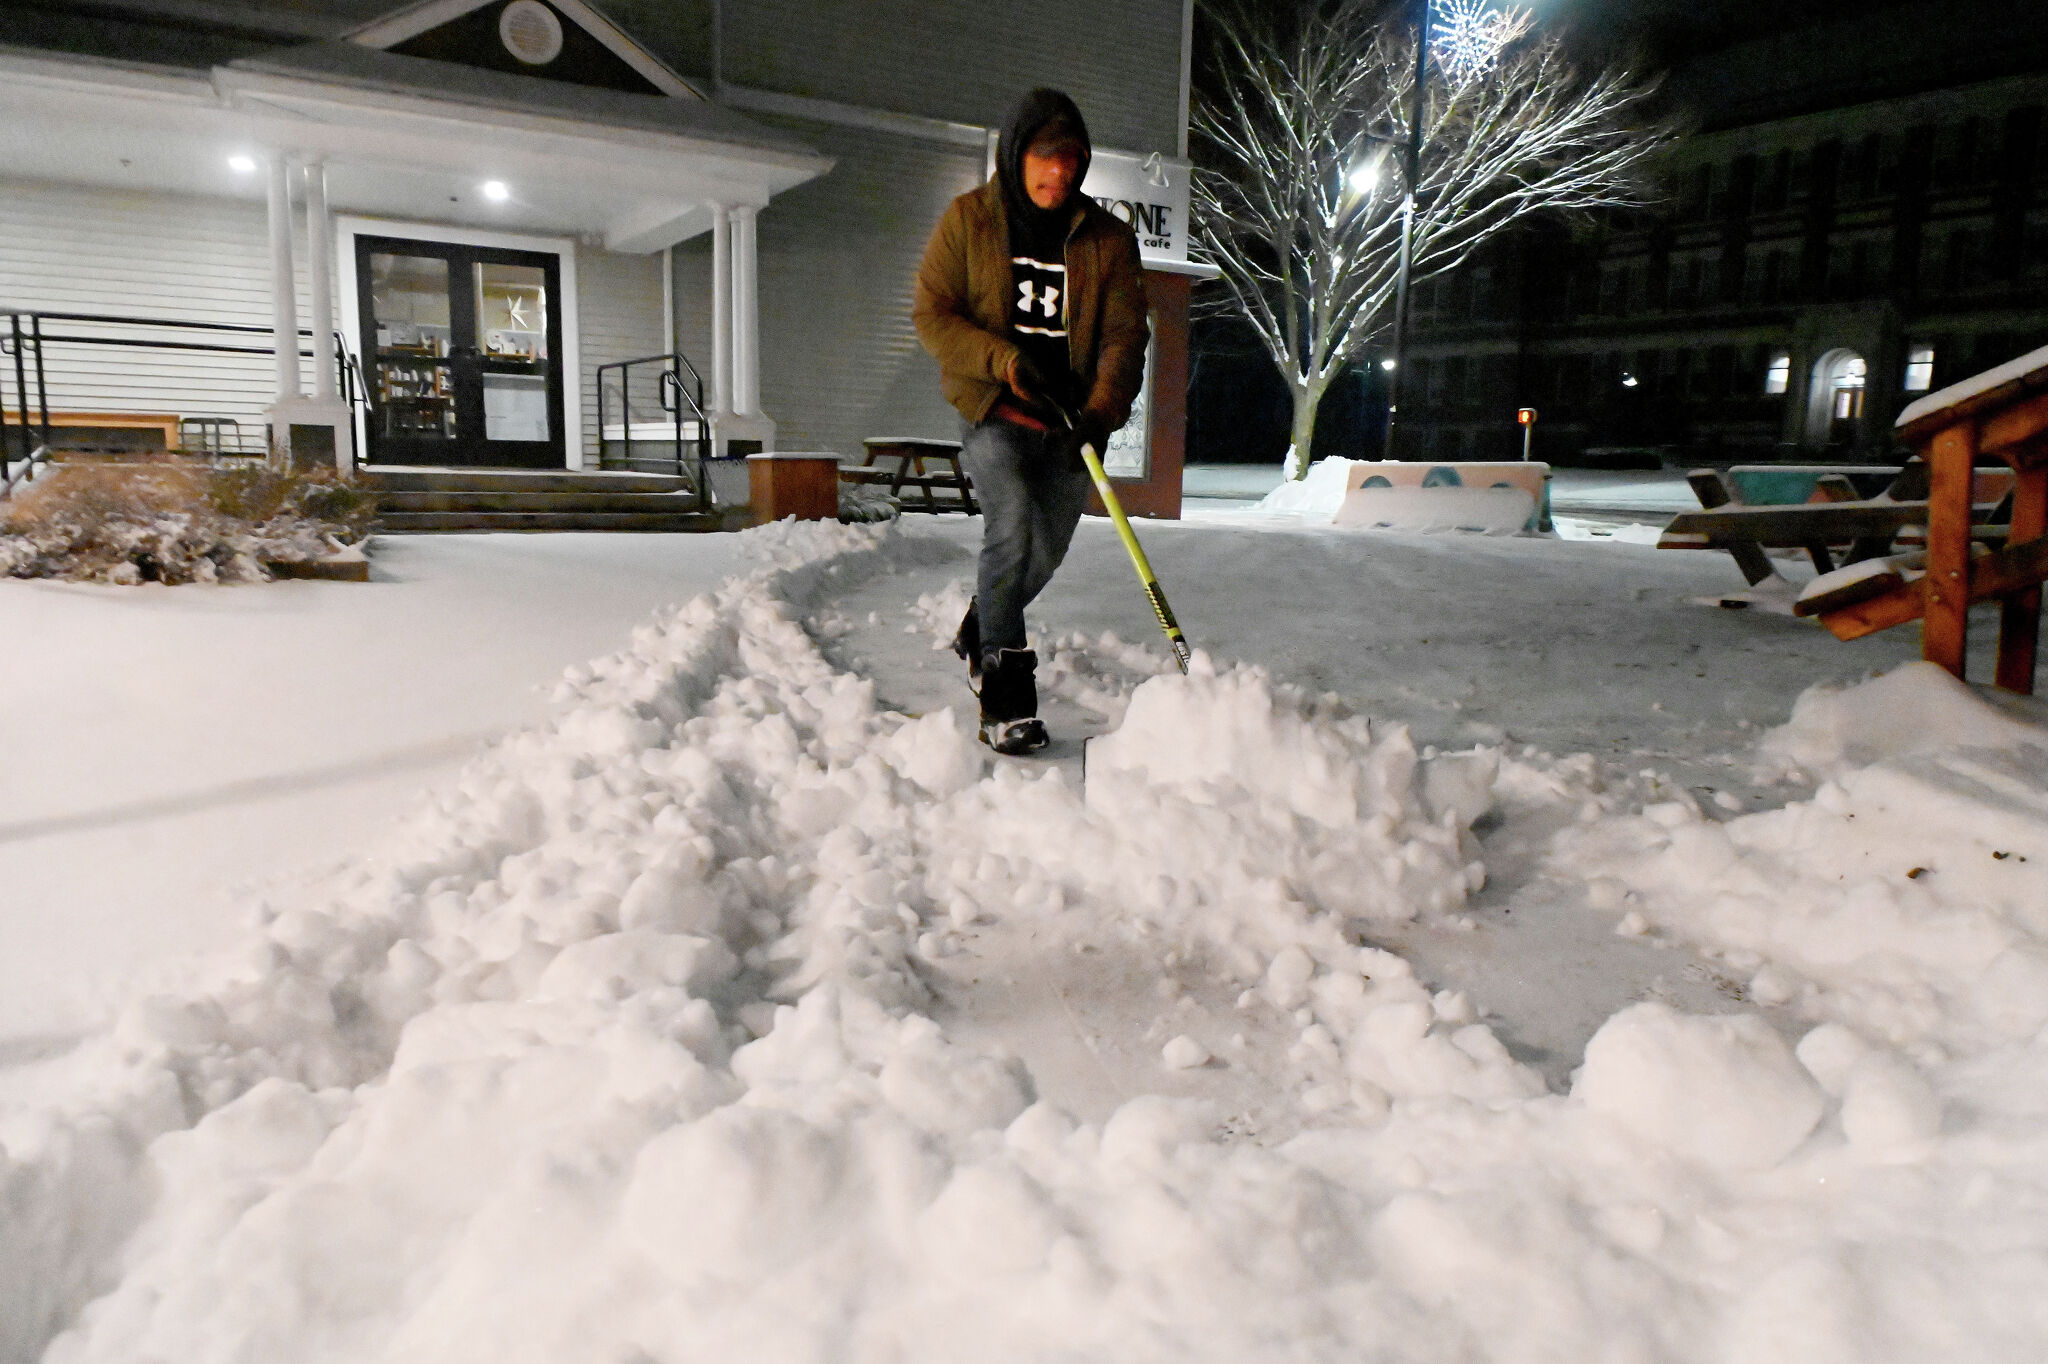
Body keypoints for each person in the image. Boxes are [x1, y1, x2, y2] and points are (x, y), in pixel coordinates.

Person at [912, 87, 1151, 755]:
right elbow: (933, 314)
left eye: (1071, 162)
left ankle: (981, 625)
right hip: (995, 408)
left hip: (1071, 422)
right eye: (1046, 160)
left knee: (1042, 552)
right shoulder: (969, 222)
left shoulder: (1107, 239)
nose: (1059, 175)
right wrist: (1004, 360)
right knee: (1012, 522)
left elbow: (1125, 337)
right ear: (1015, 156)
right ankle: (1006, 696)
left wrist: (1101, 413)